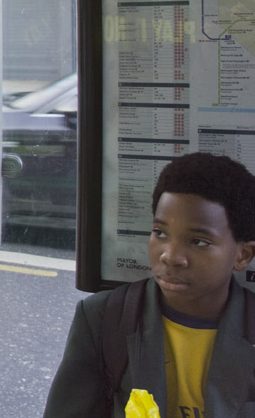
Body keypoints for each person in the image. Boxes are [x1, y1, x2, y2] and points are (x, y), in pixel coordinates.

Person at [44, 152, 255, 417]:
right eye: (160, 233)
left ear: (242, 255)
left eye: (198, 241)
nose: (170, 256)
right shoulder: (104, 318)